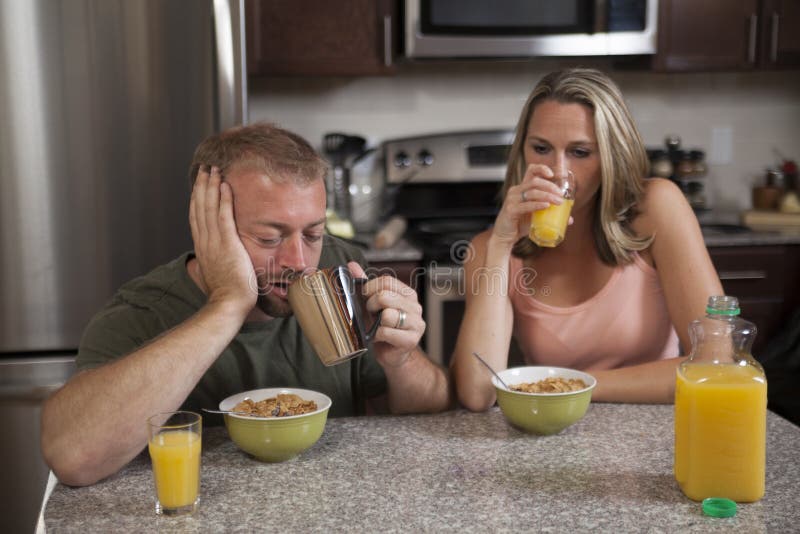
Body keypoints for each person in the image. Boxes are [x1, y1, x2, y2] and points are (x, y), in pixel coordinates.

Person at [41, 122, 451, 486]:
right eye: (270, 238)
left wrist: (401, 361)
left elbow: (430, 412)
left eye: (312, 234)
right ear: (209, 227)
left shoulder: (340, 269)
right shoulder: (145, 311)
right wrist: (227, 305)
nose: (298, 263)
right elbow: (73, 458)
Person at [451, 68, 723, 410]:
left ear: (611, 156)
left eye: (580, 152)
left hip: (657, 436)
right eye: (541, 148)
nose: (557, 170)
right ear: (522, 152)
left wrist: (571, 386)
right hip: (557, 435)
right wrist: (501, 244)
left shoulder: (657, 209)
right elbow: (478, 393)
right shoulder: (488, 249)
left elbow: (716, 364)